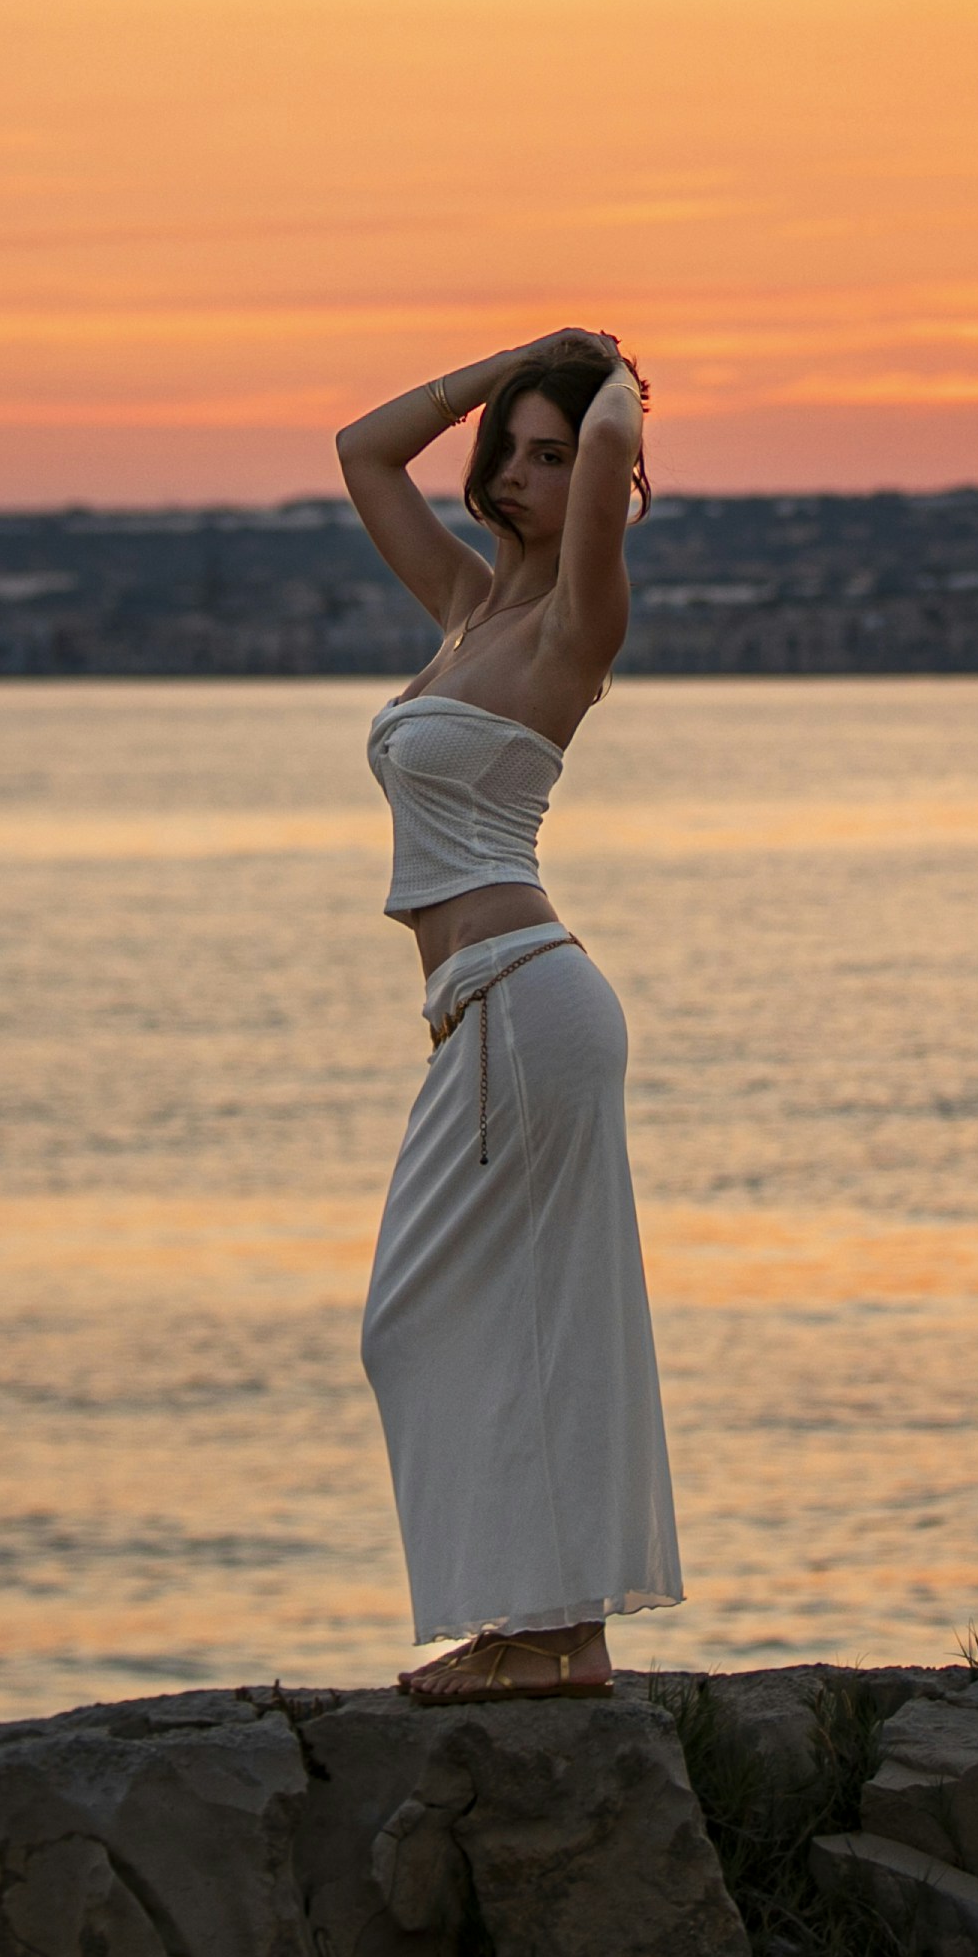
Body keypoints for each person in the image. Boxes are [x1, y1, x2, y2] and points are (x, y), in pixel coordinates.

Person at [330, 327, 682, 1703]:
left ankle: (539, 1636)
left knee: (422, 1319)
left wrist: (606, 386)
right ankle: (554, 1635)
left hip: (528, 1003)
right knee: (494, 1314)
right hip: (489, 1011)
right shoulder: (467, 607)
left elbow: (603, 459)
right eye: (512, 454)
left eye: (557, 452)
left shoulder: (578, 620)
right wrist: (507, 365)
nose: (533, 474)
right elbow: (360, 453)